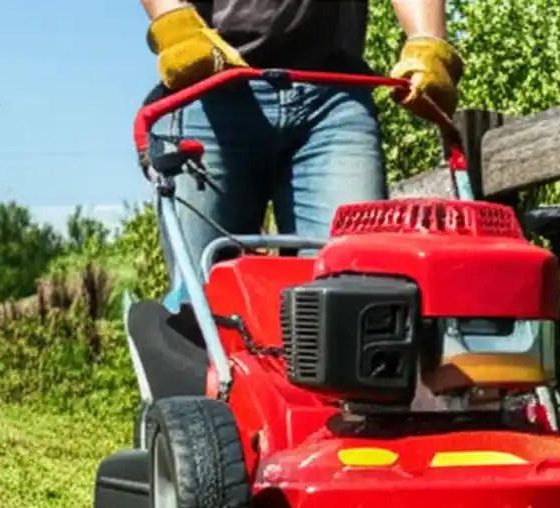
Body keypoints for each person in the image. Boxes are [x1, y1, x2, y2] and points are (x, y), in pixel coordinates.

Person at [138, 0, 463, 310]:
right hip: (212, 88)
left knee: (355, 286)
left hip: (333, 101)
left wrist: (427, 42)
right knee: (199, 299)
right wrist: (175, 25)